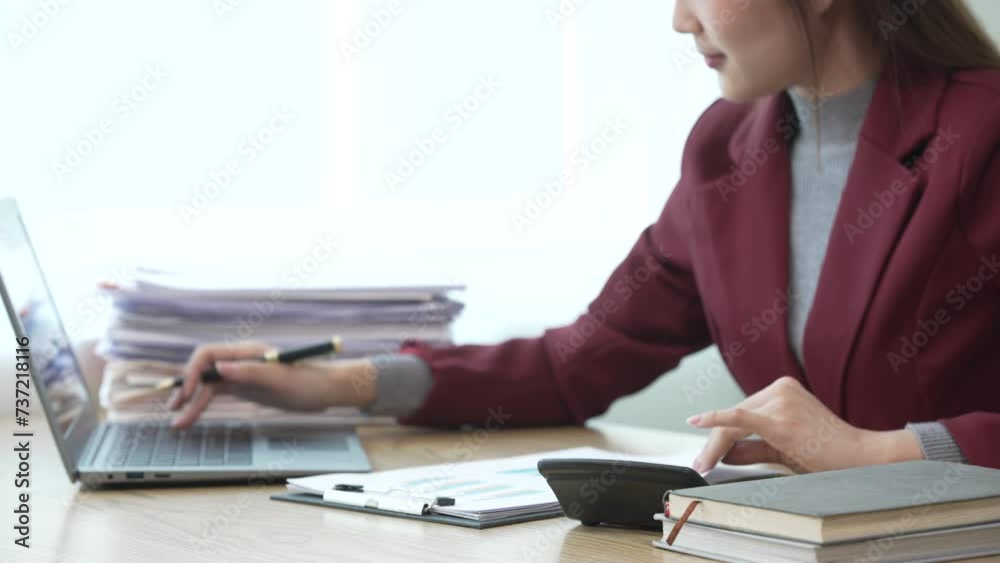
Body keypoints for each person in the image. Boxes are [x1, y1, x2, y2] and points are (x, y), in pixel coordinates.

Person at [170, 0, 1000, 472]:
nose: (679, 20)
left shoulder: (985, 130)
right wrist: (339, 385)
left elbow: (855, 449)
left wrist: (878, 452)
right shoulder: (726, 152)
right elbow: (575, 363)